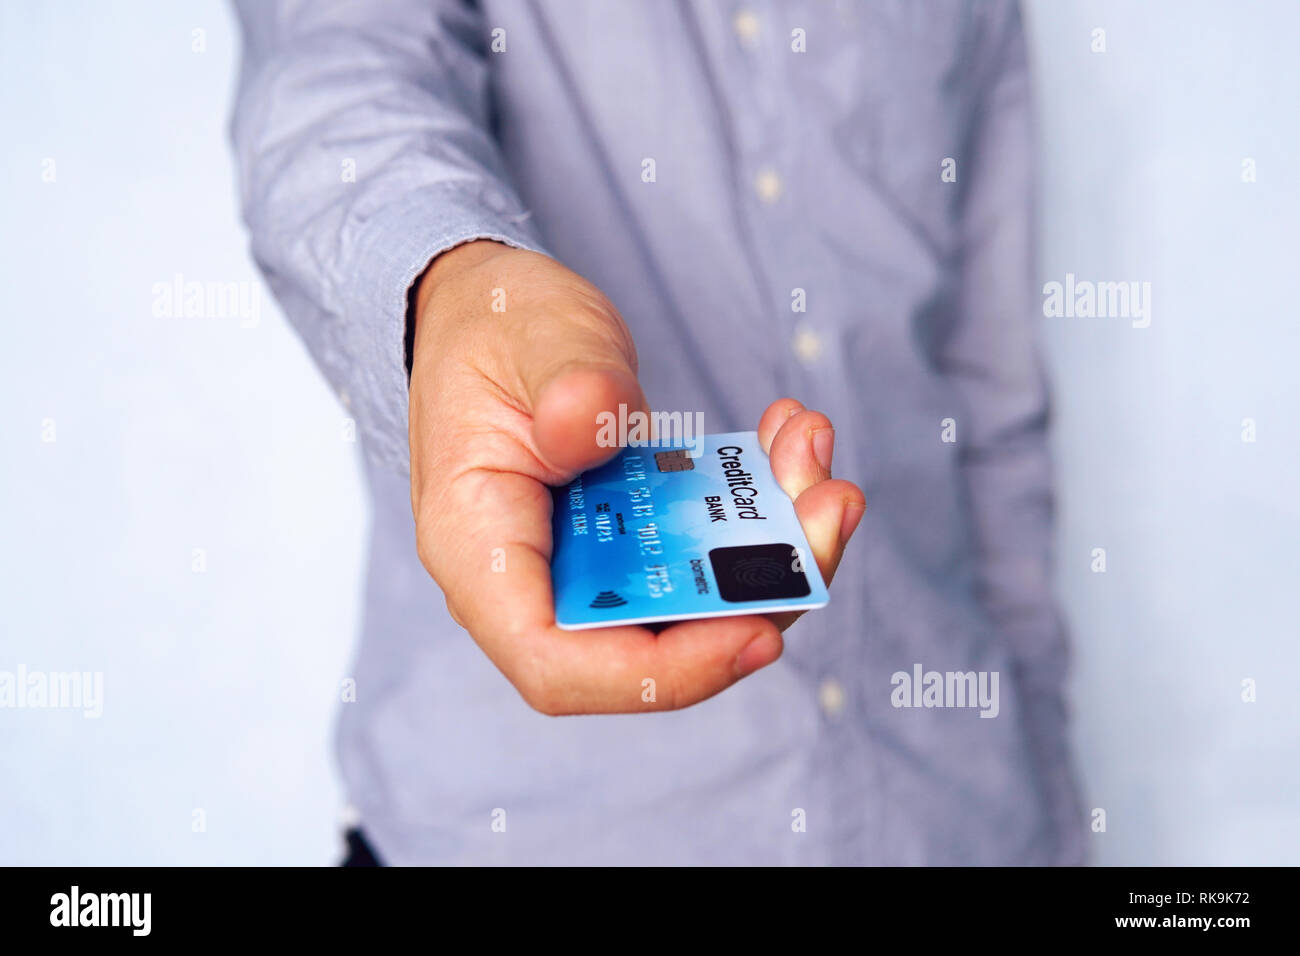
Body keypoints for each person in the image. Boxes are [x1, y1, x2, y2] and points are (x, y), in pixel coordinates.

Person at [231, 0, 1085, 865]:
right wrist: (454, 282)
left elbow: (992, 423)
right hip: (536, 830)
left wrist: (1050, 803)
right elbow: (336, 84)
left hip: (957, 820)